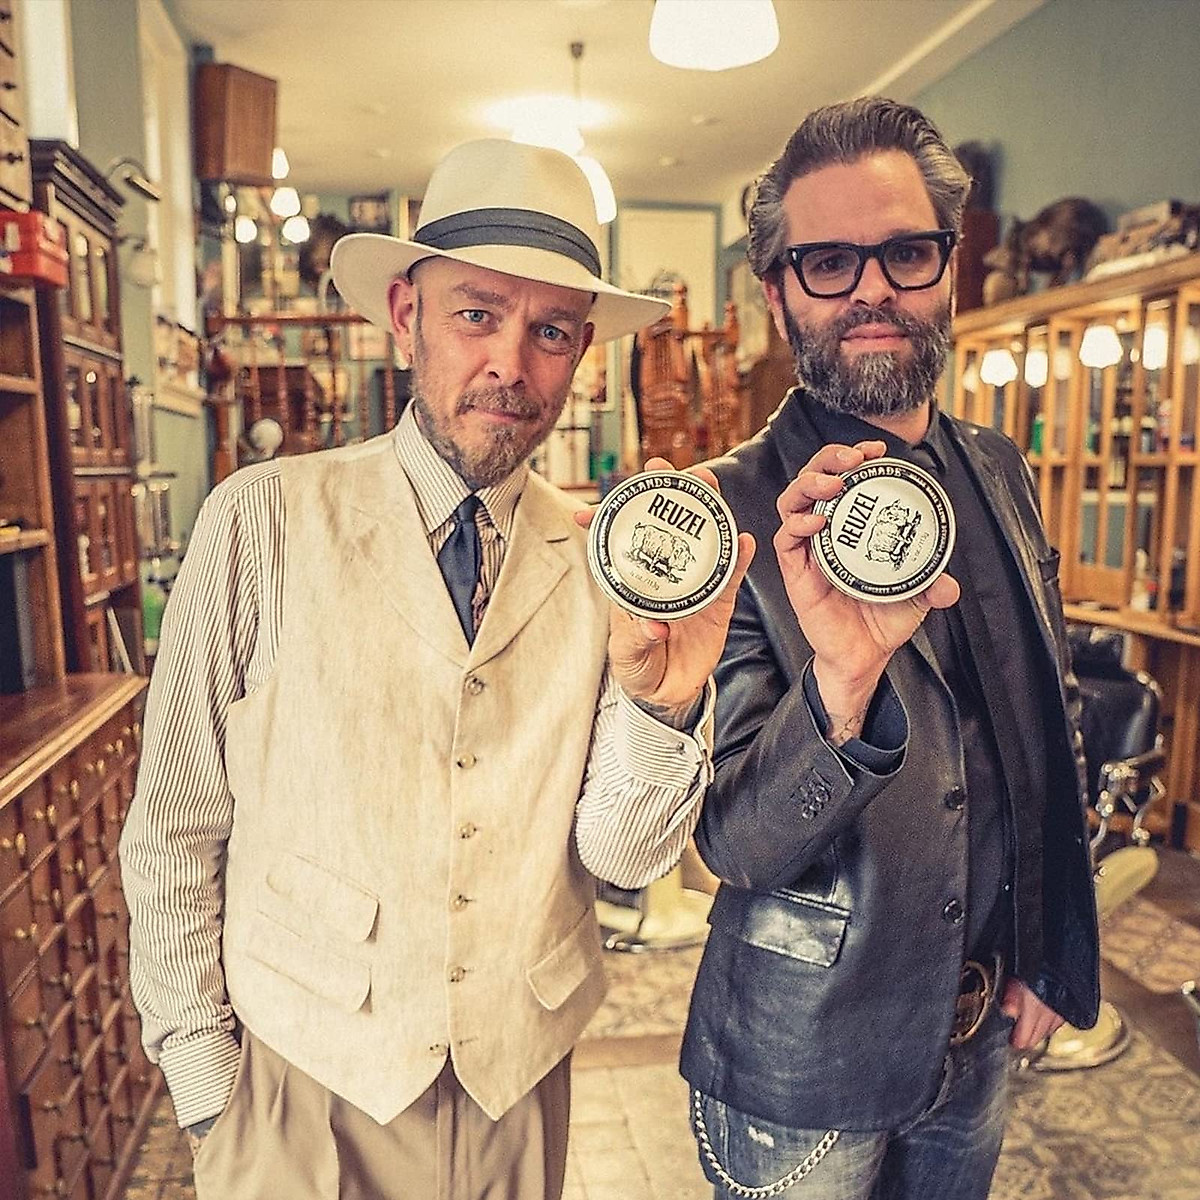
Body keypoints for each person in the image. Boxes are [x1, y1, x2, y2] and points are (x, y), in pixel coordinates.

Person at [120, 137, 753, 1200]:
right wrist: (208, 1091)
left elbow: (624, 858)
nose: (511, 363)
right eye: (477, 314)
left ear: (581, 352)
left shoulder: (607, 559)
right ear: (405, 314)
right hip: (304, 1086)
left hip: (516, 1090)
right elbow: (176, 826)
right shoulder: (264, 521)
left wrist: (665, 699)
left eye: (550, 330)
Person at [680, 97, 1099, 1199]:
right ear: (776, 292)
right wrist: (843, 681)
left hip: (982, 1031)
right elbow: (734, 842)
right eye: (828, 263)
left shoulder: (1000, 470)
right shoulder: (721, 515)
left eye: (906, 252)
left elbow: (1048, 722)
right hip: (801, 1063)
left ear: (948, 269)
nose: (873, 289)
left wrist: (1050, 947)